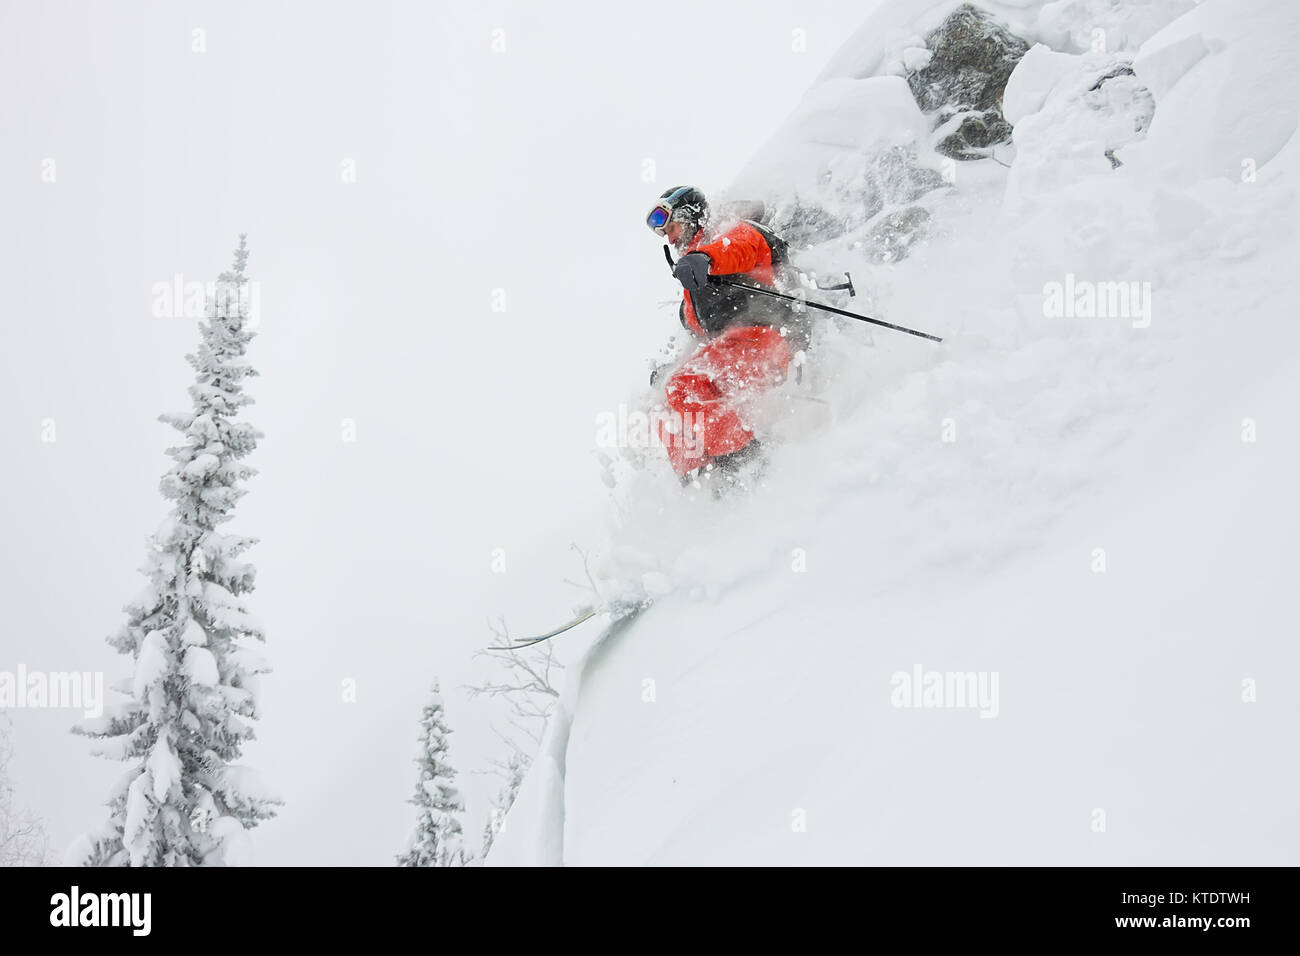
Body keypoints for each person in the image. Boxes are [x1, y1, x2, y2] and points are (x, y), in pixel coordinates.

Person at [646, 185, 801, 483]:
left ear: (690, 217)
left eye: (673, 227)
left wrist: (705, 258)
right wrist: (670, 369)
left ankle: (746, 467)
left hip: (766, 338)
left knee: (684, 387)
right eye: (665, 234)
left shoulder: (728, 233)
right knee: (666, 408)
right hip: (732, 350)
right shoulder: (694, 287)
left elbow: (742, 247)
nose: (670, 238)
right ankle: (702, 484)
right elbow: (701, 342)